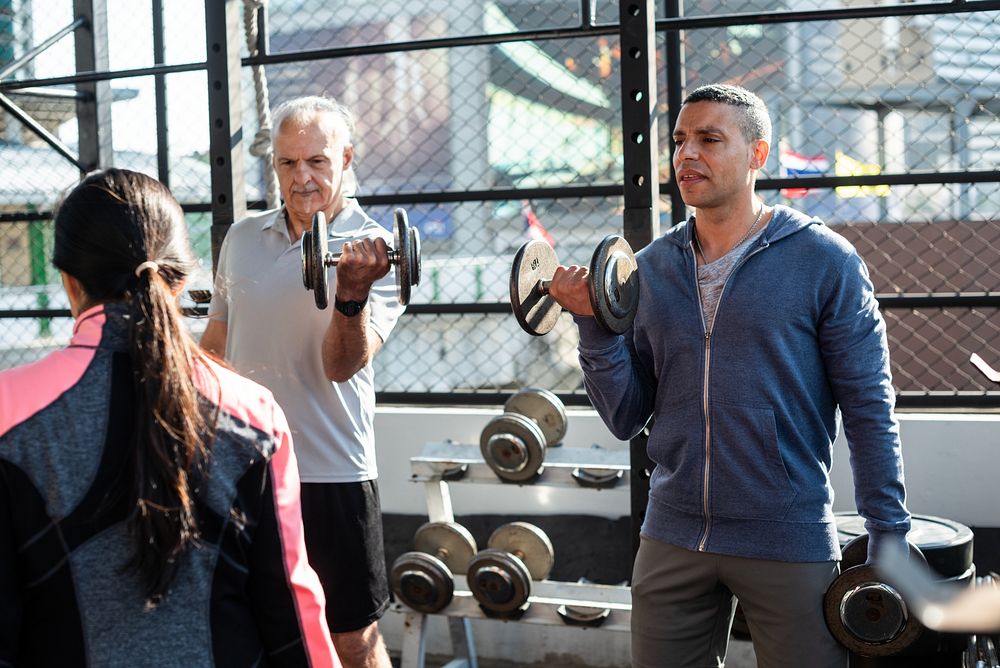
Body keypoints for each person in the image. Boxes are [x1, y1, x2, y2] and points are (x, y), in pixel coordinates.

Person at [548, 84, 911, 667]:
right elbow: (625, 416)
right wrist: (594, 328)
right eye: (679, 140)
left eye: (710, 139)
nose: (687, 155)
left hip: (786, 536)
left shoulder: (826, 262)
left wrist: (888, 531)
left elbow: (869, 406)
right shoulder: (649, 269)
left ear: (758, 155)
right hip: (671, 534)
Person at [0, 169, 339, 667]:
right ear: (181, 278)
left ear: (70, 281)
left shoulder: (10, 414)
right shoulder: (255, 415)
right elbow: (290, 605)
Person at [201, 96, 402, 668]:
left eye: (317, 161)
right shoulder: (240, 239)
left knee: (351, 641)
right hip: (242, 470)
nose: (302, 177)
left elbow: (343, 365)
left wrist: (353, 294)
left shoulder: (376, 249)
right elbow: (216, 347)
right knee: (253, 635)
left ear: (346, 157)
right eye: (288, 164)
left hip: (329, 472)